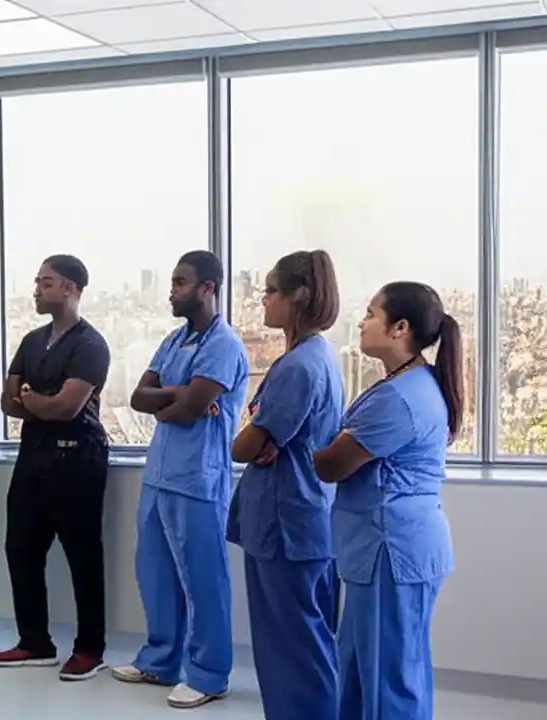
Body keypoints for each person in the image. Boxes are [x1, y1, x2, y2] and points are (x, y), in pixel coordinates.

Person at [313, 282, 460, 720]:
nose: (361, 322)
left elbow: (331, 465)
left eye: (371, 314)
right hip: (387, 548)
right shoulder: (406, 384)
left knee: (389, 681)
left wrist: (299, 442)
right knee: (365, 670)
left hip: (391, 551)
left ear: (400, 328)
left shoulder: (400, 397)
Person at [112, 250, 248, 709]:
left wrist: (176, 400)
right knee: (154, 573)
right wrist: (178, 392)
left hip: (198, 478)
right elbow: (138, 397)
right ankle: (160, 661)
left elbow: (191, 410)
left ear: (208, 288)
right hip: (160, 475)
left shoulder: (224, 344)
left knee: (203, 580)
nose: (171, 291)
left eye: (180, 283)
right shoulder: (175, 340)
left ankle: (209, 674)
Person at [227, 250, 343, 720]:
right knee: (306, 641)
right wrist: (261, 436)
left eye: (272, 291)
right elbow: (263, 435)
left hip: (286, 524)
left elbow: (244, 446)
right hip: (304, 518)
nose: (264, 300)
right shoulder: (316, 357)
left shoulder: (298, 367)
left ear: (300, 296)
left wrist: (256, 437)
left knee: (292, 650)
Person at [0, 255, 111, 681]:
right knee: (20, 549)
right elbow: (7, 402)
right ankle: (34, 642)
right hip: (34, 458)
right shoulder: (31, 340)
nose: (37, 290)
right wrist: (40, 402)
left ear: (71, 289)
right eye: (37, 281)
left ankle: (90, 649)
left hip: (78, 461)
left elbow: (66, 407)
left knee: (83, 557)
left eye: (47, 282)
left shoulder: (90, 345)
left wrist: (33, 400)